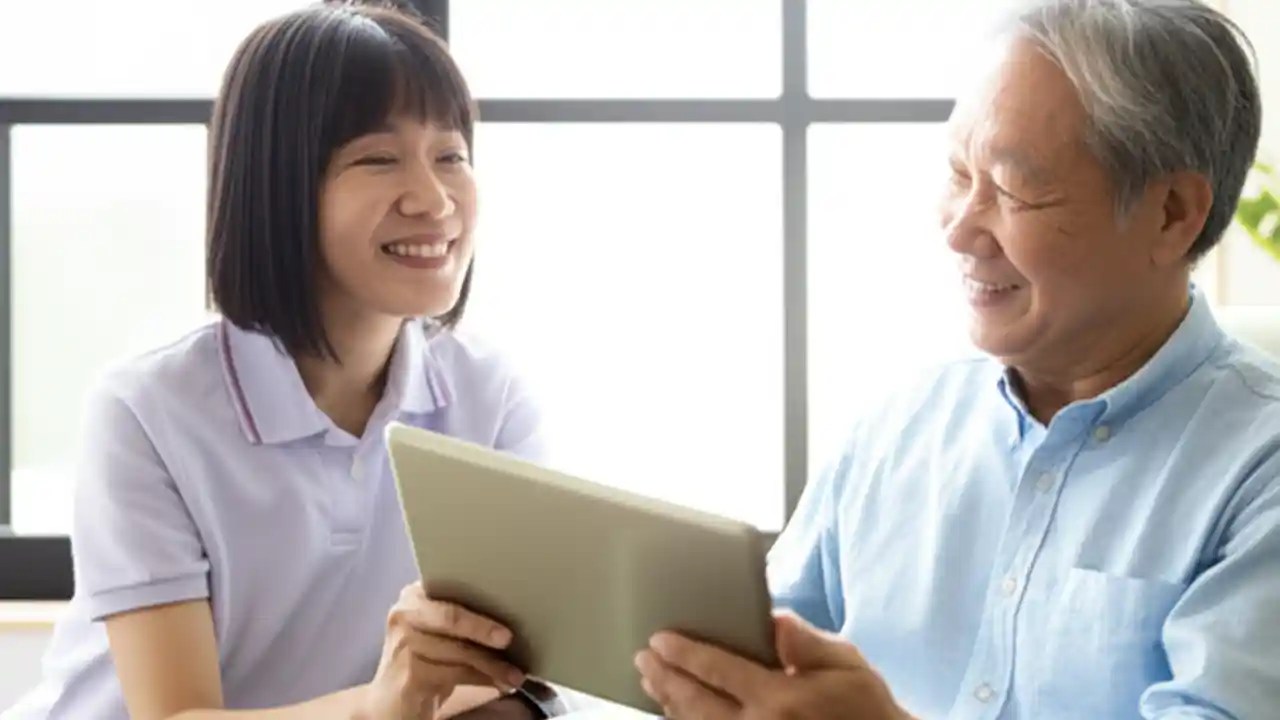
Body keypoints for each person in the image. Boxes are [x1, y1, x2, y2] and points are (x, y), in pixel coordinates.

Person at [634, 1, 1280, 718]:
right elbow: (742, 665)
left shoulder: (1260, 468)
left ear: (1170, 214)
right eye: (957, 174)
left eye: (1012, 189)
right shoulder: (902, 425)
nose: (960, 229)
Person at [7, 3, 567, 719]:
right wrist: (382, 704)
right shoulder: (148, 411)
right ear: (279, 187)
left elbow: (509, 672)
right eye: (378, 158)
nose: (434, 199)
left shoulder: (493, 397)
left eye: (451, 155)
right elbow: (175, 716)